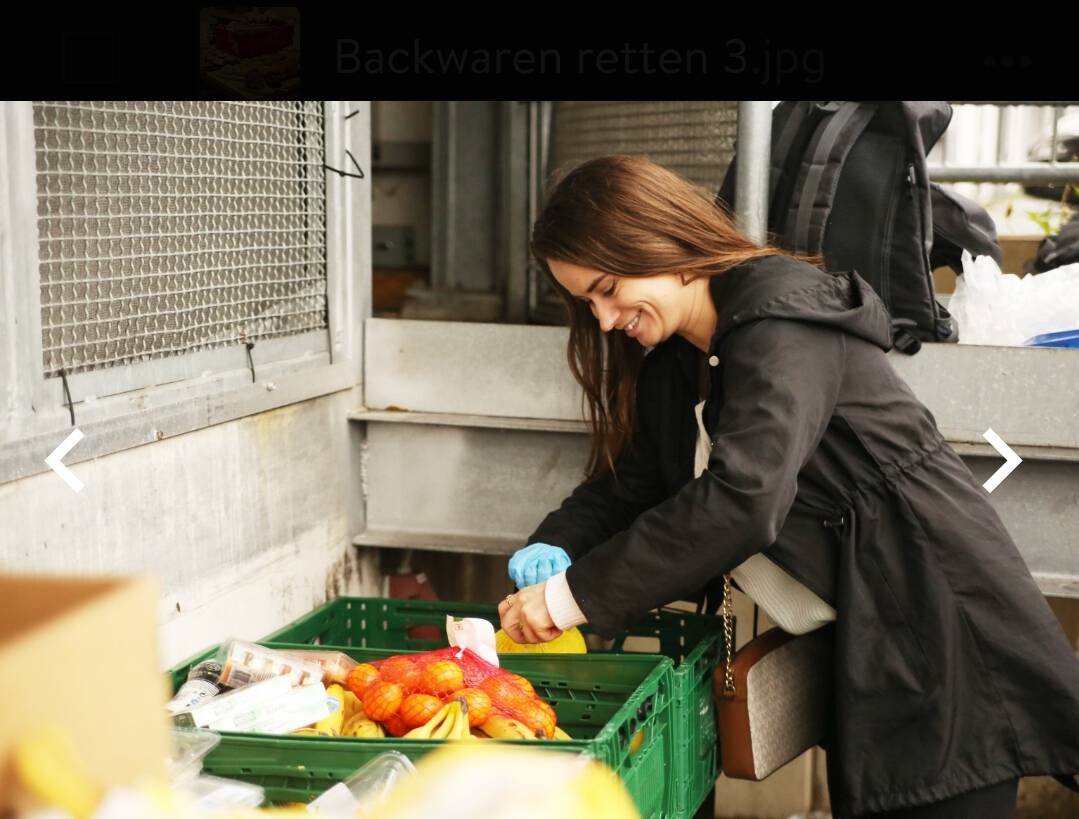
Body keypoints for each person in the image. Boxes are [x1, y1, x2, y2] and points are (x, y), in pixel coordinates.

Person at [497, 155, 1079, 818]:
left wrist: (572, 598)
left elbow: (743, 499)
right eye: (586, 303)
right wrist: (553, 547)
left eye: (607, 288)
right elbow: (625, 490)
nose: (602, 319)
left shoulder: (779, 322)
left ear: (661, 243)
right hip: (873, 646)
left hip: (939, 632)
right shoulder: (675, 364)